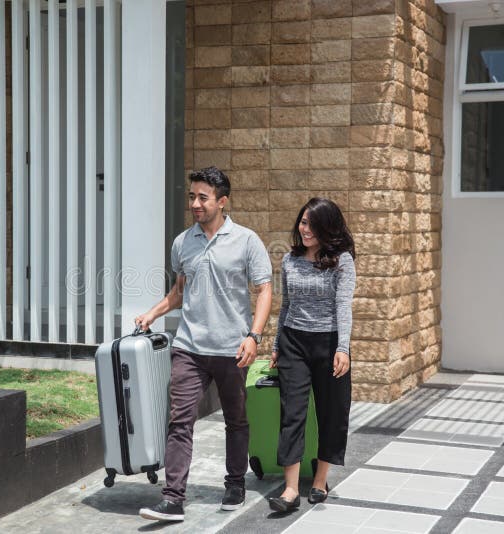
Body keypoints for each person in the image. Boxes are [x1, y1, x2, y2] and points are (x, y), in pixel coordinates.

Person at [135, 166, 273, 522]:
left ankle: (235, 483)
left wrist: (254, 336)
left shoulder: (246, 241)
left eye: (202, 198)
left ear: (222, 201)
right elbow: (180, 292)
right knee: (179, 421)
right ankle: (173, 498)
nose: (195, 204)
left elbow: (264, 290)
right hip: (190, 347)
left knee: (236, 420)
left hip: (232, 349)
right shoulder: (183, 243)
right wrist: (153, 313)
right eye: (191, 197)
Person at [267, 197, 356, 512]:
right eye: (303, 222)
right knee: (292, 413)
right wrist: (277, 344)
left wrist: (343, 348)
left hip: (329, 344)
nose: (306, 229)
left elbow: (343, 306)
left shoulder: (342, 260)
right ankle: (290, 490)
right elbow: (286, 306)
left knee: (331, 413)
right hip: (294, 343)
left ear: (327, 228)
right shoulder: (290, 259)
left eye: (313, 225)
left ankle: (320, 480)